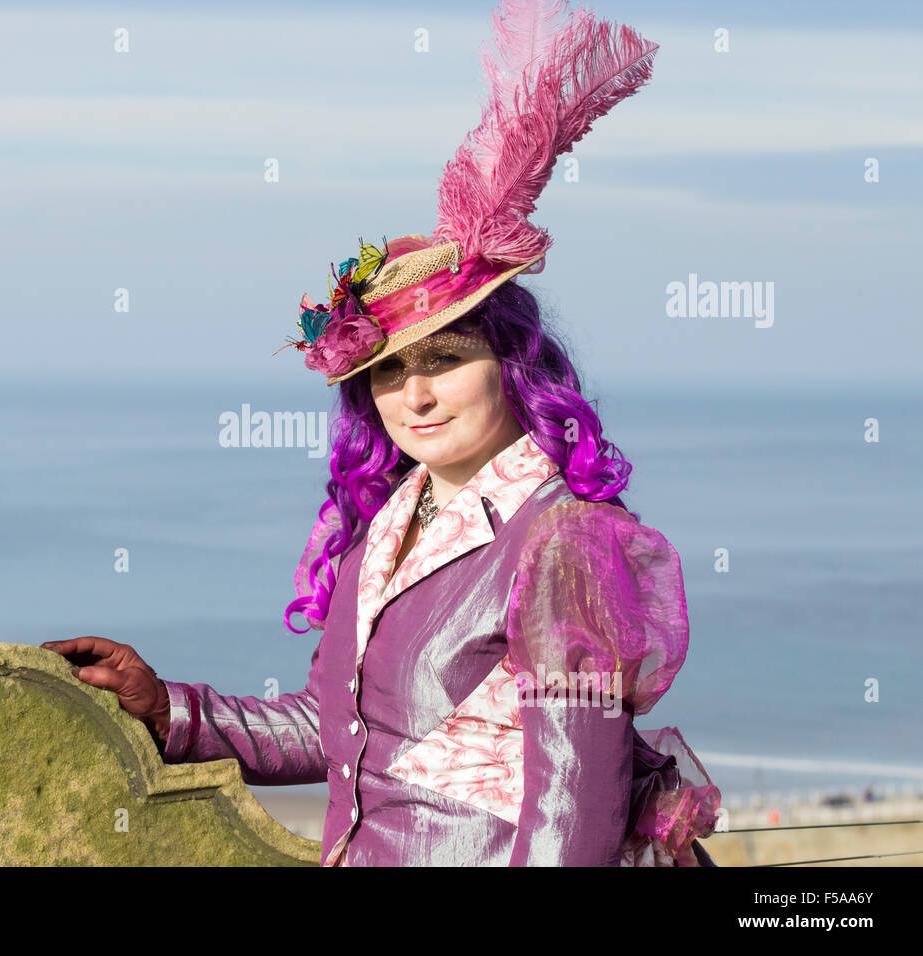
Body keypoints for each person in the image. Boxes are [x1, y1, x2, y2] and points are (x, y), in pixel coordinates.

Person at [44, 0, 721, 866]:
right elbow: (342, 735)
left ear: (512, 365)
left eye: (446, 359)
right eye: (389, 372)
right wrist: (168, 708)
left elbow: (572, 822)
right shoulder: (393, 525)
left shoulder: (566, 546)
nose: (417, 396)